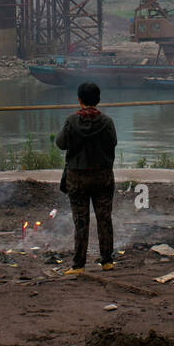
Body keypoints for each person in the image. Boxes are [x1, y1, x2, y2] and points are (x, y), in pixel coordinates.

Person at [56, 81, 117, 275]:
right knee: (104, 218)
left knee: (80, 221)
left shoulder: (71, 121)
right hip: (103, 177)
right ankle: (107, 261)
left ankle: (79, 265)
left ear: (79, 100)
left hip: (77, 178)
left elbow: (61, 144)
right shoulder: (107, 122)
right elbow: (112, 143)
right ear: (98, 100)